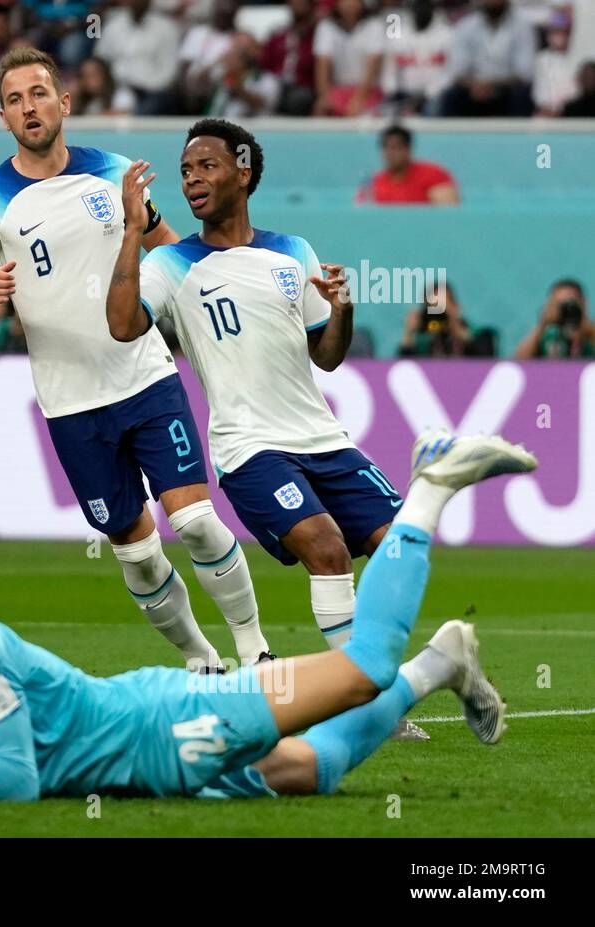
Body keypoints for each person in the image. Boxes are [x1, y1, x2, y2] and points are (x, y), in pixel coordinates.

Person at [0, 432, 537, 800]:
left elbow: (14, 780)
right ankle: (442, 660)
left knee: (363, 669)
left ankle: (430, 490)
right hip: (151, 763)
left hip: (166, 721)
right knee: (318, 766)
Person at [104, 118, 428, 739]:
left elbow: (326, 356)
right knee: (327, 549)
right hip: (249, 448)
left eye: (206, 166)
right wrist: (130, 231)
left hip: (323, 439)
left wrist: (343, 307)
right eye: (185, 171)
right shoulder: (172, 263)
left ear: (244, 171)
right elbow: (122, 324)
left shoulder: (292, 252)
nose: (192, 179)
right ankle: (364, 706)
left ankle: (371, 682)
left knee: (397, 548)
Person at [0, 49, 272, 671]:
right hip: (71, 403)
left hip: (146, 377)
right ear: (4, 117)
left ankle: (255, 649)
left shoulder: (114, 172)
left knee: (200, 522)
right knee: (135, 551)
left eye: (40, 94)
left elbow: (175, 253)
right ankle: (201, 657)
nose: (30, 107)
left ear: (64, 103)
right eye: (16, 99)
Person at [440, 0, 536, 117]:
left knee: (523, 96)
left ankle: (520, 135)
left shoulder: (523, 27)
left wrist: (492, 86)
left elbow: (525, 72)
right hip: (472, 89)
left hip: (507, 90)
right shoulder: (466, 25)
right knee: (450, 97)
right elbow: (457, 69)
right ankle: (453, 135)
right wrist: (474, 86)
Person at [356, 125, 458, 205]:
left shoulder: (433, 175)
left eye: (396, 147)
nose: (391, 153)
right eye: (386, 148)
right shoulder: (373, 184)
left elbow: (449, 216)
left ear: (408, 149)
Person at [312, 0, 382, 116]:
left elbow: (373, 66)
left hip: (368, 91)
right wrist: (324, 97)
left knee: (362, 114)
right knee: (321, 111)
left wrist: (359, 99)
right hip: (337, 90)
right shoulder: (326, 27)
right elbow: (322, 66)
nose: (349, 4)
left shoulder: (374, 26)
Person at [398, 281, 494, 357]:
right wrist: (408, 333)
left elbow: (485, 358)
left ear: (457, 307)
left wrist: (457, 328)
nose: (438, 313)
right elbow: (406, 370)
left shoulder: (482, 334)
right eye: (433, 308)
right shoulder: (423, 341)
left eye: (442, 306)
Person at [260, 0, 317, 115]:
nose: (298, 6)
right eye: (294, 3)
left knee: (299, 98)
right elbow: (264, 64)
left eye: (302, 3)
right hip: (276, 85)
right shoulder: (279, 35)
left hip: (303, 87)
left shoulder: (317, 35)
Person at [514, 278, 595, 359]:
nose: (565, 309)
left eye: (570, 303)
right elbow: (519, 362)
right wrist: (542, 324)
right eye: (559, 304)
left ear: (583, 302)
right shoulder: (548, 336)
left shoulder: (589, 332)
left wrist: (586, 327)